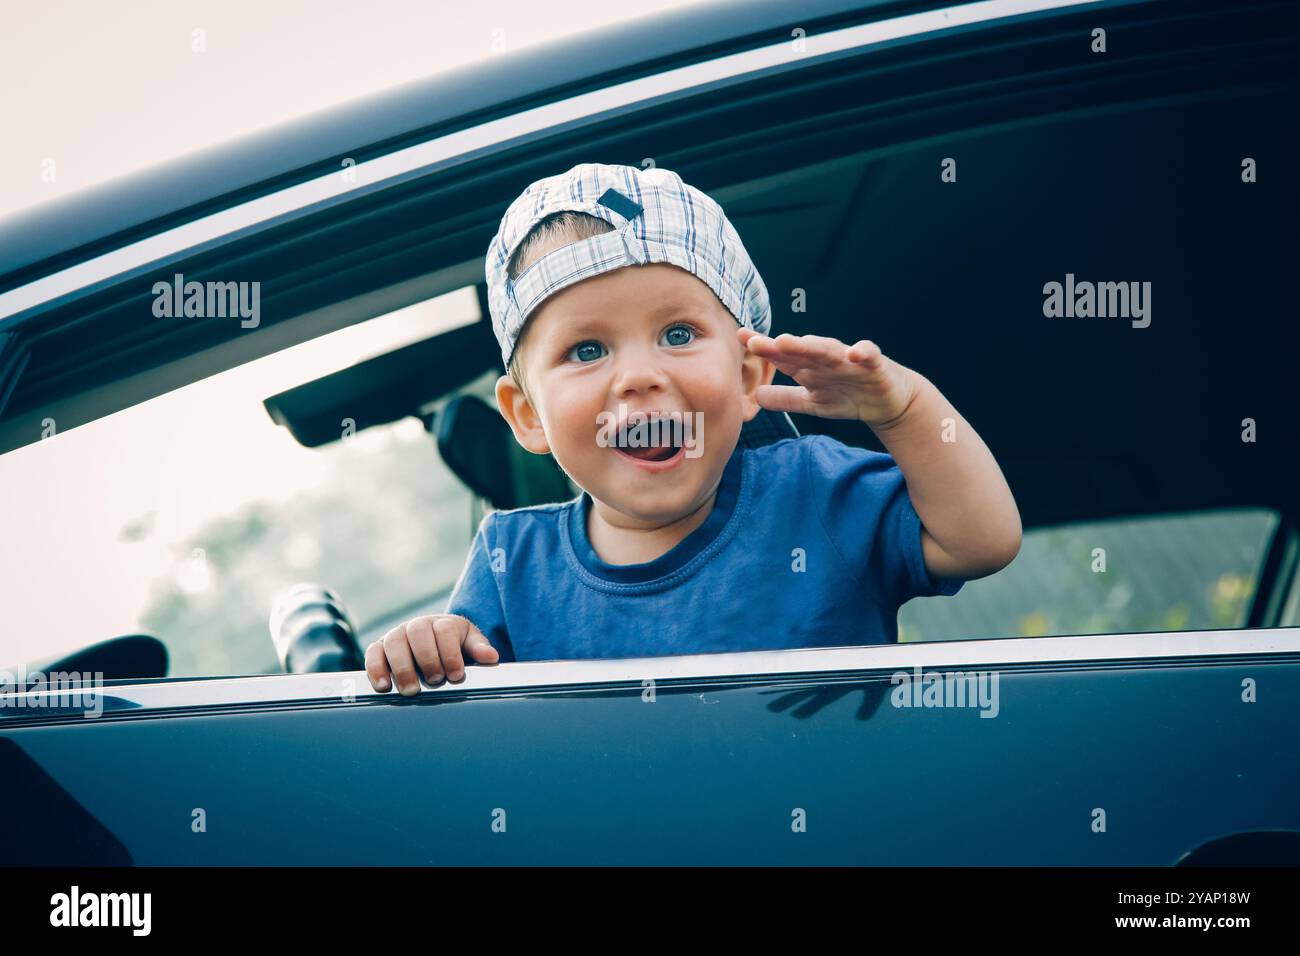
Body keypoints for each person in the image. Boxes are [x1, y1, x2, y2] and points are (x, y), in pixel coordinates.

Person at [365, 162, 1021, 694]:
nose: (639, 377)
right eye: (588, 350)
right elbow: (459, 715)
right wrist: (425, 650)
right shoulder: (511, 565)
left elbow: (981, 541)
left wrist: (904, 411)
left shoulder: (814, 492)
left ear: (746, 378)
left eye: (677, 334)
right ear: (529, 415)